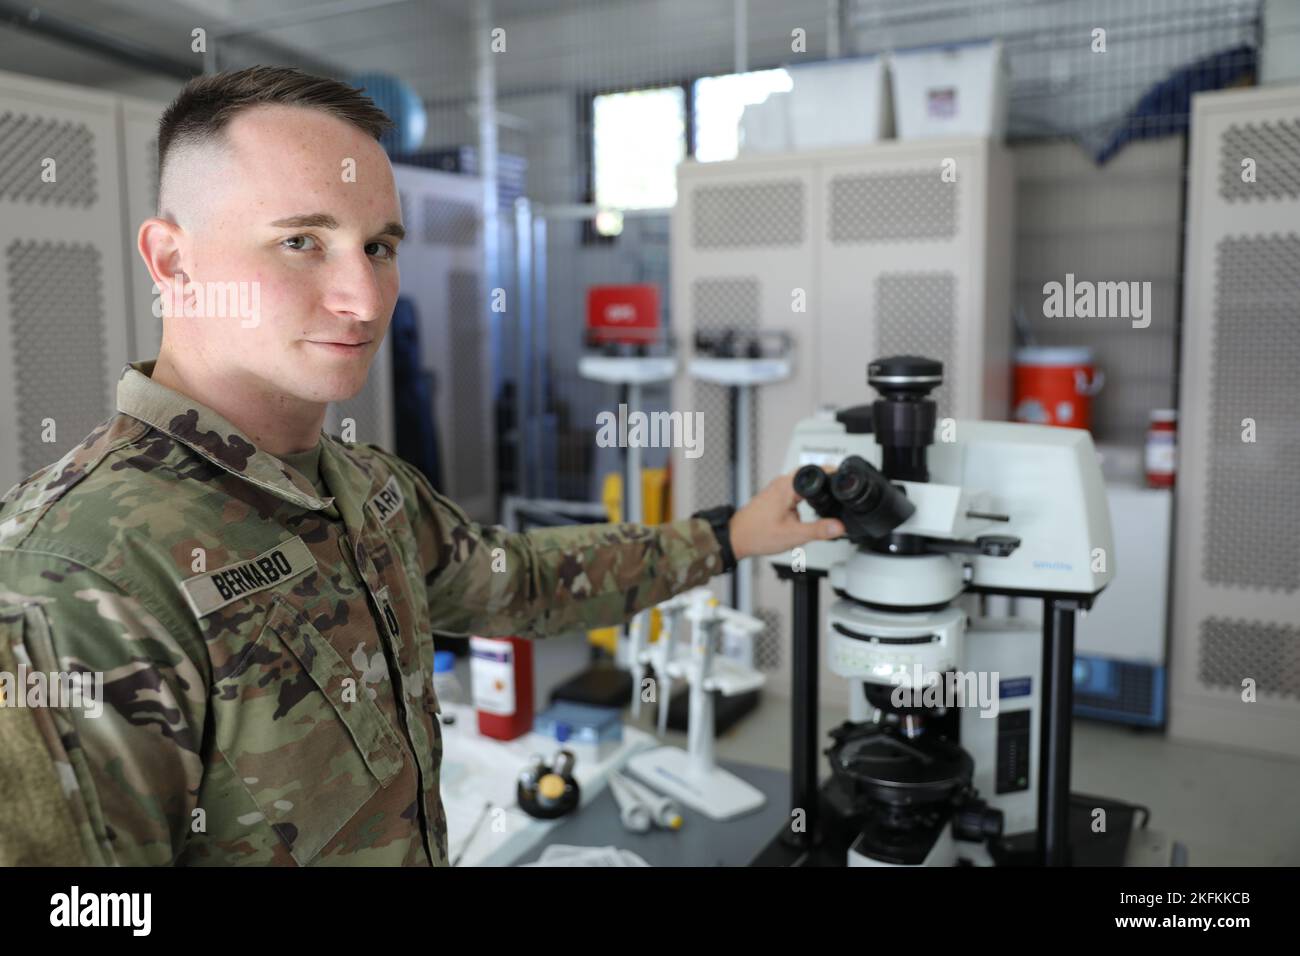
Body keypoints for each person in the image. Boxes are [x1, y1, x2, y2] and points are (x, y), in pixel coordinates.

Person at [0, 66, 843, 867]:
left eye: (379, 246)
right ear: (174, 262)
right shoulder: (75, 575)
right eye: (300, 241)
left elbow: (523, 584)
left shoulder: (364, 490)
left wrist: (729, 534)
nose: (363, 299)